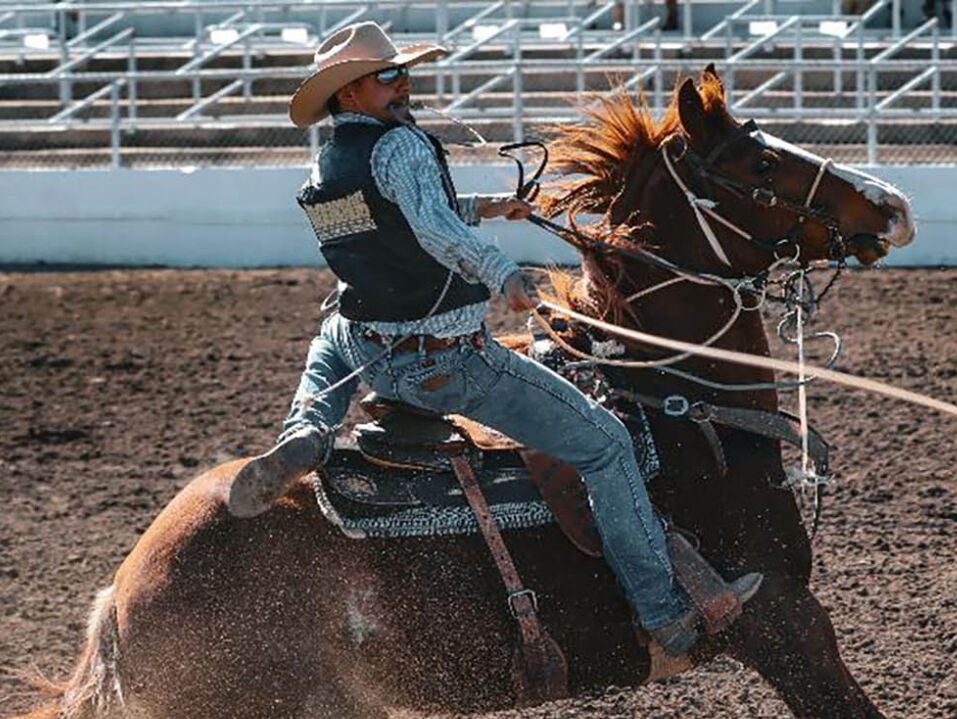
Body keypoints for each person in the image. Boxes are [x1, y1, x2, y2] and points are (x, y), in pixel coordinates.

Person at [227, 22, 756, 655]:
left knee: (332, 330)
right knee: (607, 445)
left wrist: (488, 205)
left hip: (368, 348)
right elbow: (431, 232)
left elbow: (398, 219)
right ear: (348, 92)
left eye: (402, 72)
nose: (405, 83)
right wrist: (500, 270)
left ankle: (306, 432)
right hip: (446, 363)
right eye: (389, 76)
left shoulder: (335, 157)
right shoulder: (403, 149)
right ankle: (663, 611)